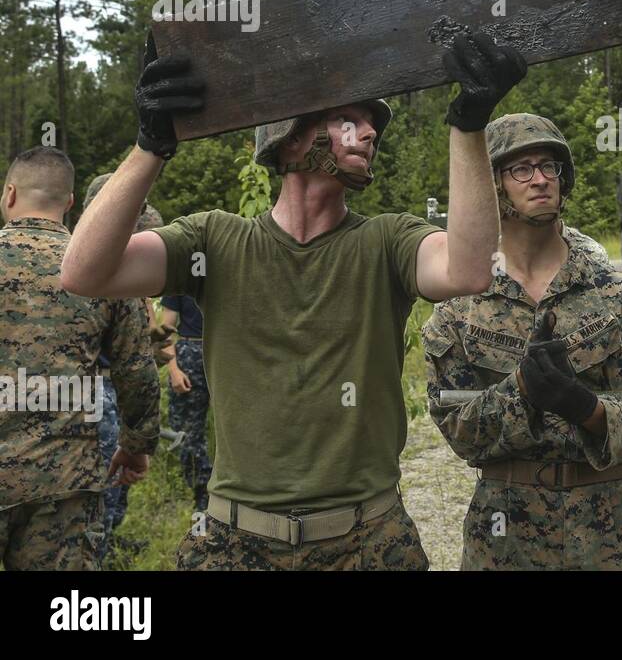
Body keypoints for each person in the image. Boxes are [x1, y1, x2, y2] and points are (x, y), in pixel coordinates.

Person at [60, 31, 526, 570]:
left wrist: (469, 125)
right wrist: (149, 145)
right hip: (235, 542)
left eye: (371, 122)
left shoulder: (386, 241)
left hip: (368, 542)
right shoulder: (214, 241)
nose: (370, 131)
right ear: (288, 138)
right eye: (348, 118)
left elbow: (469, 271)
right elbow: (83, 271)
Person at [423, 113, 622, 570]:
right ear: (493, 186)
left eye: (549, 167)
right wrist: (523, 394)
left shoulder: (611, 292)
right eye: (521, 169)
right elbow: (459, 431)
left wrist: (585, 408)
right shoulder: (461, 300)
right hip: (505, 526)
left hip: (609, 524)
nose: (540, 180)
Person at [0, 147, 160, 570]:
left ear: (9, 194)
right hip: (63, 481)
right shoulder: (101, 270)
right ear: (71, 203)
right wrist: (136, 446)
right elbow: (136, 369)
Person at [80, 172, 168, 561]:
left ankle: (110, 538)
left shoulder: (115, 275)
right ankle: (101, 543)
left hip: (109, 394)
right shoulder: (88, 273)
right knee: (103, 486)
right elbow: (127, 362)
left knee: (114, 484)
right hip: (97, 394)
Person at [159, 290, 209, 512]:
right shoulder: (184, 270)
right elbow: (166, 329)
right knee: (186, 432)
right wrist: (174, 370)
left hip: (228, 352)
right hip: (190, 353)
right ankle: (203, 494)